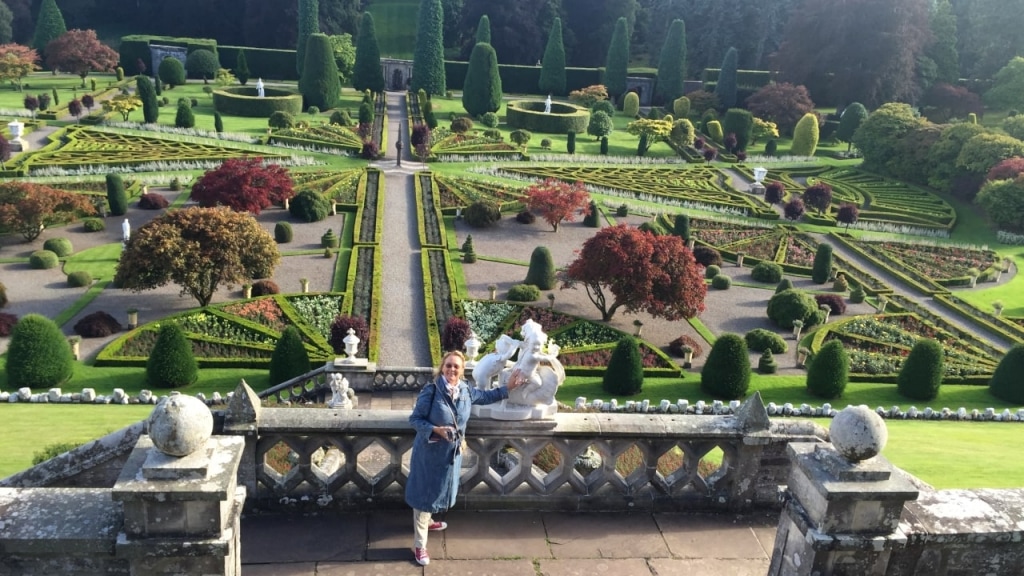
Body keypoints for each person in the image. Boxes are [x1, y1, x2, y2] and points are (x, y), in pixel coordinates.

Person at [405, 350, 522, 566]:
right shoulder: (431, 391)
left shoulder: (466, 390)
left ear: (462, 370)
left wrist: (509, 388)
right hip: (429, 454)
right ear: (442, 367)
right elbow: (415, 420)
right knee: (423, 495)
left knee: (438, 491)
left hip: (450, 455)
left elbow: (486, 397)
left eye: (456, 366)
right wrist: (436, 430)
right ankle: (420, 546)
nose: (452, 369)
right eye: (448, 365)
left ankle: (428, 521)